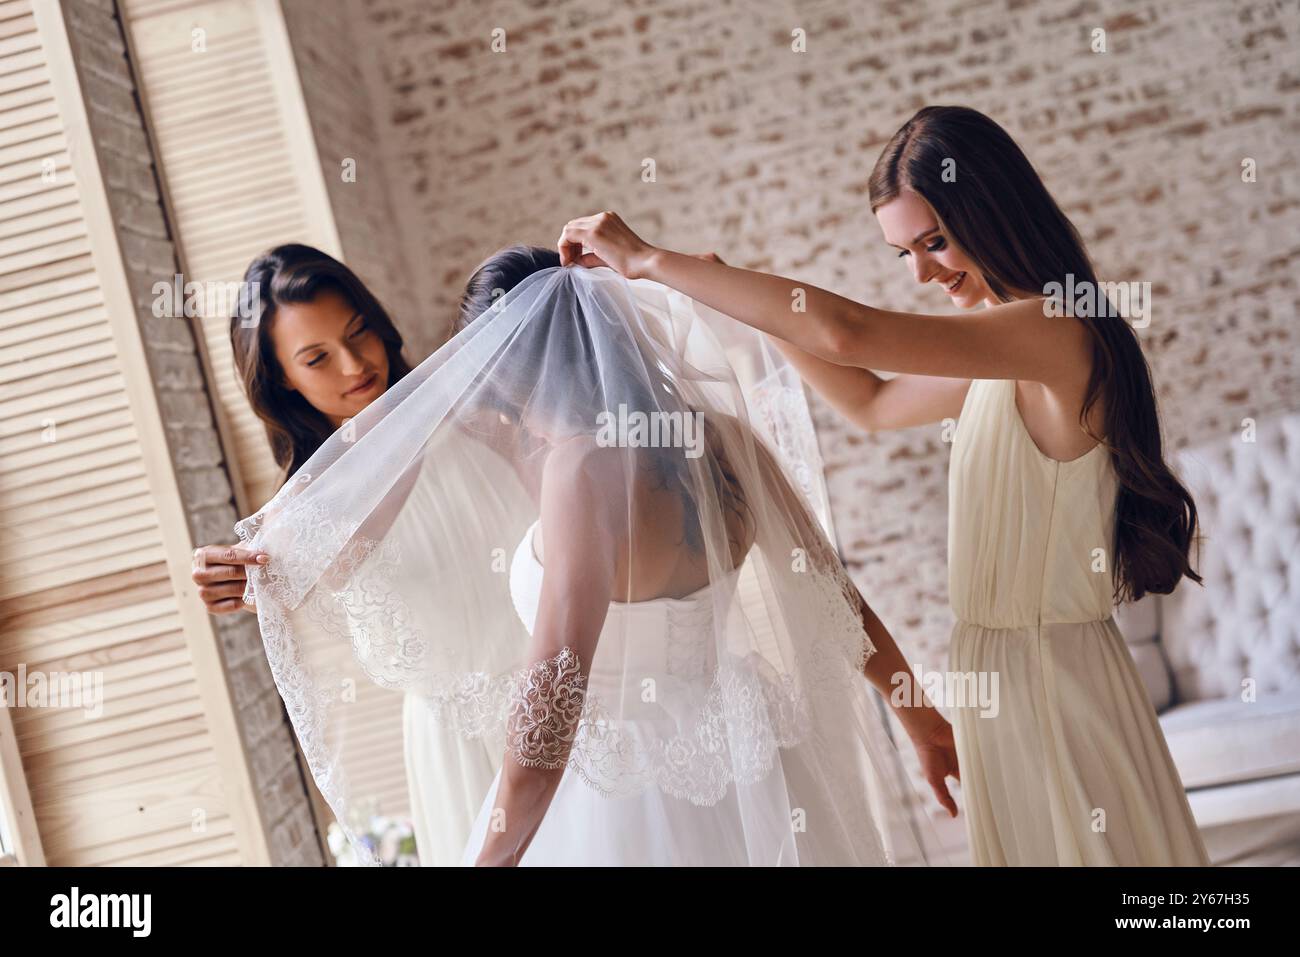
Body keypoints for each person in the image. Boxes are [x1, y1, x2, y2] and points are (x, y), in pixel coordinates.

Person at [555, 105, 1210, 866]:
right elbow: (866, 399)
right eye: (904, 253)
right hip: (1004, 678)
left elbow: (849, 333)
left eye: (934, 241)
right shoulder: (1004, 354)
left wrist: (650, 260)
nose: (924, 272)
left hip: (1056, 687)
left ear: (994, 211)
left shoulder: (1058, 330)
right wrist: (735, 297)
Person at [235, 247, 961, 866]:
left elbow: (554, 688)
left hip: (623, 784)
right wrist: (921, 718)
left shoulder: (580, 470)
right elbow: (835, 598)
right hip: (749, 746)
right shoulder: (725, 435)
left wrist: (493, 852)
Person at [190, 244, 519, 865]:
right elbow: (270, 572)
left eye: (358, 331)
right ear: (283, 378)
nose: (354, 365)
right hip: (461, 749)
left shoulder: (480, 413)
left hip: (567, 697)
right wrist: (227, 577)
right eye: (317, 358)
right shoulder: (305, 512)